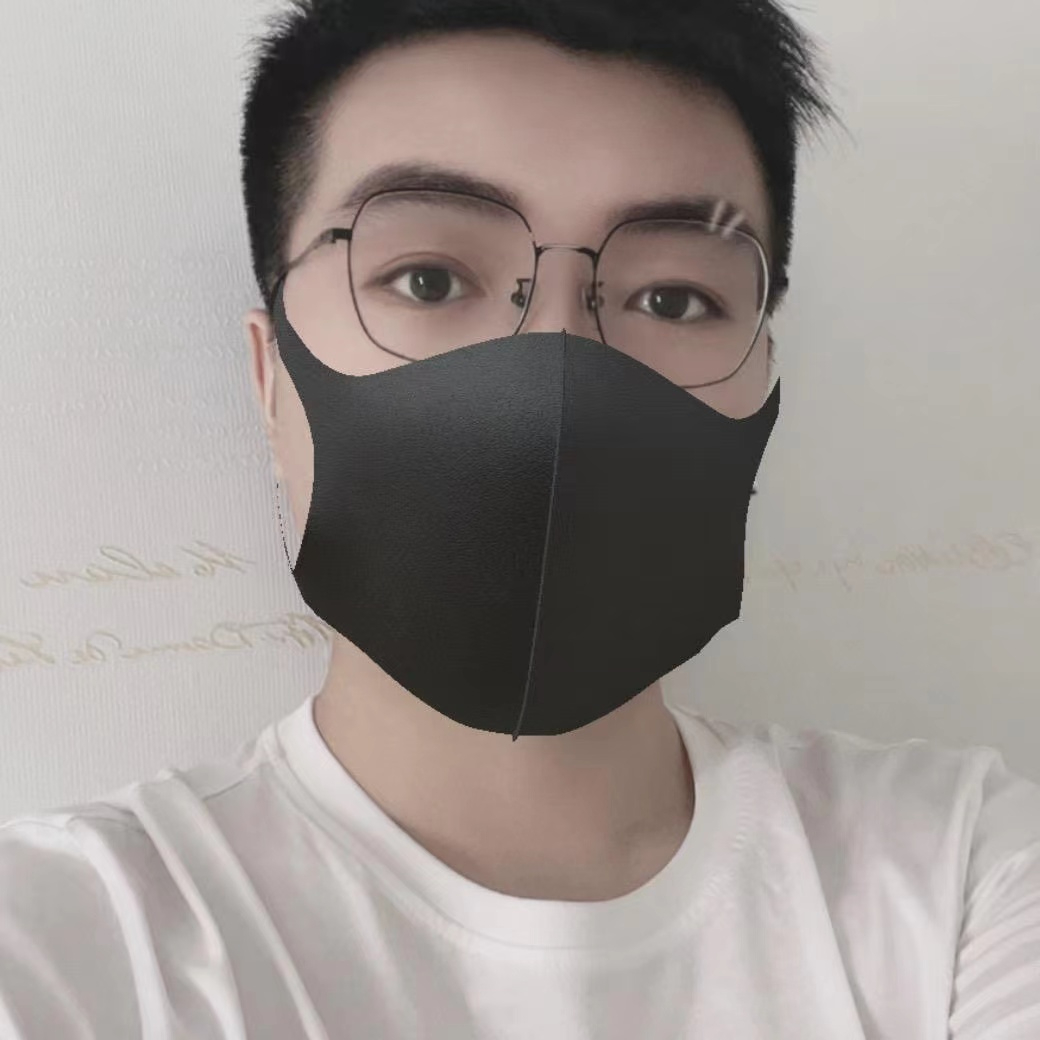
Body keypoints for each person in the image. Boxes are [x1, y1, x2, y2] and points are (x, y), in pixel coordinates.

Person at [2, 1, 1038, 1037]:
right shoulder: (74, 943)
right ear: (270, 379)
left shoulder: (958, 873)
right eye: (429, 279)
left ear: (764, 373)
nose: (554, 376)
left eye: (673, 298)